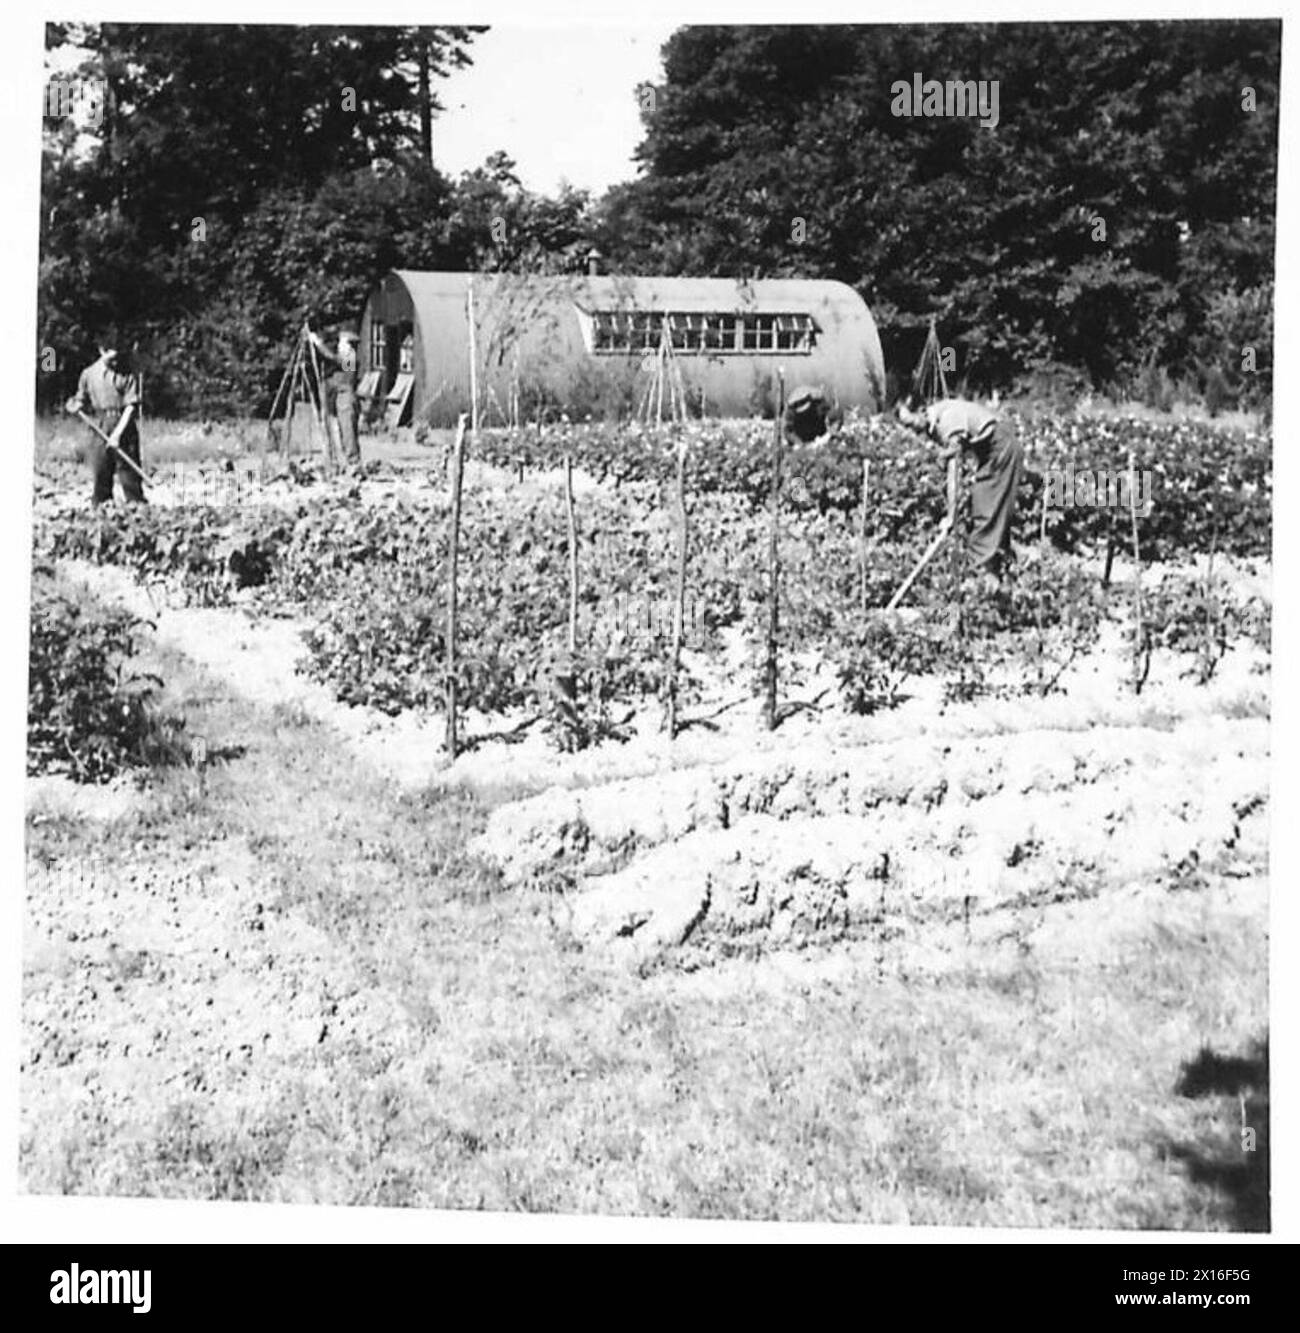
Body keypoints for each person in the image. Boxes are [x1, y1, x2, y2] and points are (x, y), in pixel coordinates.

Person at [896, 395, 1023, 574]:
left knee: (985, 506)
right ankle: (1001, 562)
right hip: (993, 452)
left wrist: (951, 514)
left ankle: (980, 571)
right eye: (907, 426)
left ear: (921, 411)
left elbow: (953, 470)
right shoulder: (938, 415)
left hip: (1002, 449)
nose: (912, 430)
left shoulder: (947, 420)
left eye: (911, 422)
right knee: (988, 503)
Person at [65, 337, 145, 505]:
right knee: (101, 468)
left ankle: (136, 505)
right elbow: (81, 398)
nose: (115, 359)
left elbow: (131, 406)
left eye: (117, 355)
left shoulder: (127, 373)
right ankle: (101, 507)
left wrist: (117, 434)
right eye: (110, 354)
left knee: (128, 471)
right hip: (99, 425)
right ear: (102, 350)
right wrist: (74, 405)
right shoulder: (88, 374)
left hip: (123, 423)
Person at [308, 323, 362, 465]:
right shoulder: (345, 356)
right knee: (335, 427)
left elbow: (332, 357)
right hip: (337, 395)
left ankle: (353, 461)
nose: (340, 345)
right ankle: (338, 460)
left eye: (343, 342)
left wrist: (317, 343)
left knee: (347, 428)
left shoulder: (350, 356)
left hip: (346, 396)